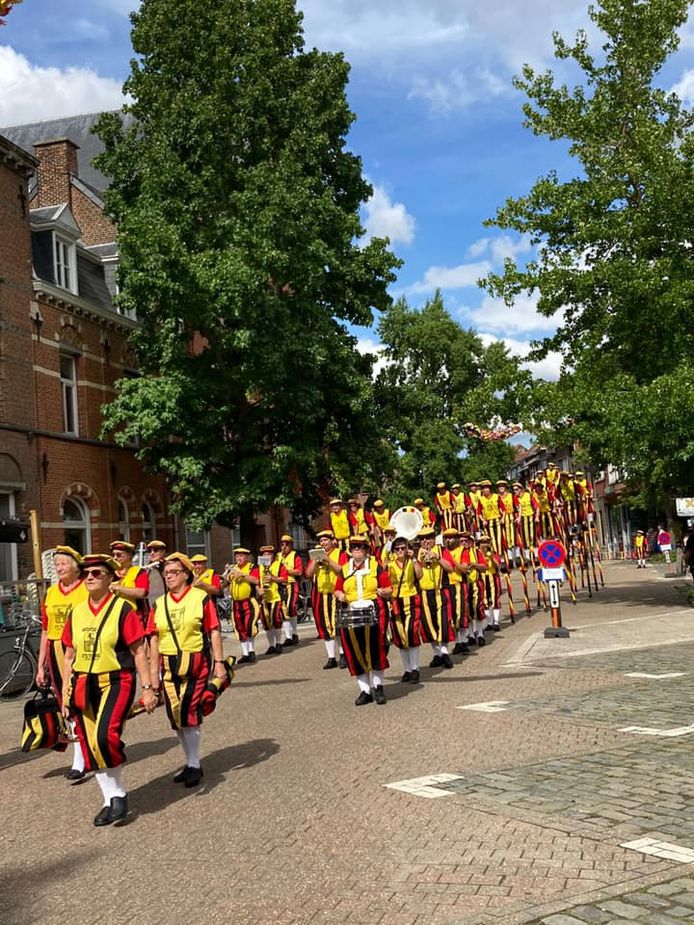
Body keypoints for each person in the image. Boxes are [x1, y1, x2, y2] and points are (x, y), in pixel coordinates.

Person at [61, 553, 156, 826]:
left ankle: (117, 793)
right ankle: (111, 798)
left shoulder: (123, 609)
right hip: (82, 682)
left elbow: (139, 651)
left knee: (105, 737)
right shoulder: (76, 611)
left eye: (97, 573)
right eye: (86, 574)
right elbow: (68, 655)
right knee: (90, 744)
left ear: (111, 577)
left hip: (117, 680)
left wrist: (148, 687)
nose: (90, 578)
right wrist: (66, 693)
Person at [146, 552, 226, 788]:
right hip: (168, 665)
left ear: (186, 575)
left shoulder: (200, 597)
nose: (169, 577)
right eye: (166, 573)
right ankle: (190, 761)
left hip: (196, 663)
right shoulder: (159, 603)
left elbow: (213, 630)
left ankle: (194, 764)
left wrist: (219, 662)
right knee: (175, 715)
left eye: (174, 573)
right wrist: (152, 677)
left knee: (188, 712)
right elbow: (153, 640)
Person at [36, 545, 89, 782]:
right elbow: (46, 631)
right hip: (56, 651)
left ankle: (93, 747)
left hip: (80, 649)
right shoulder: (50, 593)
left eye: (63, 563)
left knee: (84, 699)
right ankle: (79, 756)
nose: (59, 568)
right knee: (65, 702)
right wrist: (40, 665)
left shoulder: (87, 589)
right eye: (56, 564)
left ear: (76, 567)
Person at [334, 536, 392, 705]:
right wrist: (341, 595)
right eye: (353, 547)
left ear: (367, 550)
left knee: (375, 648)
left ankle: (378, 686)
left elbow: (388, 588)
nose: (356, 549)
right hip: (351, 612)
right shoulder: (345, 569)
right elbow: (337, 589)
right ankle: (365, 690)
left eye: (360, 546)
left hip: (373, 610)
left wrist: (384, 592)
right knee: (355, 650)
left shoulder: (375, 567)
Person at [306, 530, 348, 669]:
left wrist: (328, 560)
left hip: (336, 593)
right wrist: (315, 561)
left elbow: (342, 571)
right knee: (324, 626)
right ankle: (331, 657)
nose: (323, 543)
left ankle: (343, 654)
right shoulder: (316, 555)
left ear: (332, 541)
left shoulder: (340, 553)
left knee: (338, 625)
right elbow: (308, 573)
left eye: (325, 540)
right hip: (321, 594)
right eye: (321, 541)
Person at [415, 528, 454, 668]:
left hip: (440, 590)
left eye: (428, 538)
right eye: (422, 538)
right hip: (424, 593)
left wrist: (437, 558)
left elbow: (450, 568)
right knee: (428, 624)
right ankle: (437, 654)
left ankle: (444, 652)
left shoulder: (442, 550)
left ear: (433, 538)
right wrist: (417, 560)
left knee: (443, 622)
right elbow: (417, 575)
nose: (425, 541)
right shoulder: (415, 553)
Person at [387, 537, 422, 683]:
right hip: (396, 601)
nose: (400, 551)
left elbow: (419, 575)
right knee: (400, 636)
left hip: (412, 598)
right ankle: (407, 669)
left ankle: (415, 669)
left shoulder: (411, 562)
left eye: (403, 548)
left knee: (411, 632)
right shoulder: (390, 565)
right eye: (397, 549)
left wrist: (413, 559)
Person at [227, 547, 261, 663]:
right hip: (235, 602)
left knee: (249, 625)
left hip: (248, 601)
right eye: (237, 556)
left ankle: (251, 651)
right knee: (239, 626)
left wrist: (242, 575)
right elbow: (226, 581)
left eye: (241, 556)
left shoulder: (252, 567)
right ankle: (245, 653)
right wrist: (227, 573)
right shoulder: (233, 568)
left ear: (246, 557)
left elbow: (257, 580)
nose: (238, 558)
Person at [257, 544, 289, 655]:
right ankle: (271, 645)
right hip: (264, 598)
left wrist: (273, 579)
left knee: (276, 619)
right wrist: (258, 589)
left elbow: (284, 578)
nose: (266, 556)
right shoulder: (259, 567)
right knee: (265, 622)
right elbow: (256, 581)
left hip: (276, 596)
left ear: (272, 555)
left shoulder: (279, 565)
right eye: (264, 554)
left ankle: (278, 643)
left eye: (268, 554)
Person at [109, 540, 149, 625]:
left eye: (119, 555)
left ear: (129, 555)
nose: (115, 558)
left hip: (134, 617)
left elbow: (141, 592)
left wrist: (117, 587)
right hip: (113, 617)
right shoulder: (109, 573)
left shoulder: (139, 572)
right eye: (113, 555)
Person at [276, 534, 303, 646]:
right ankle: (288, 636)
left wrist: (285, 570)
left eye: (286, 545)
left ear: (291, 545)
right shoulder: (278, 556)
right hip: (281, 585)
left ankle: (294, 633)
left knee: (290, 607)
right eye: (282, 544)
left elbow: (299, 571)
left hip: (292, 583)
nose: (284, 547)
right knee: (283, 610)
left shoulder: (295, 556)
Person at [145, 540, 168, 609]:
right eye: (149, 551)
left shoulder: (168, 566)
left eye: (155, 550)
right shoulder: (147, 568)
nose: (152, 553)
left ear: (163, 552)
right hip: (150, 604)